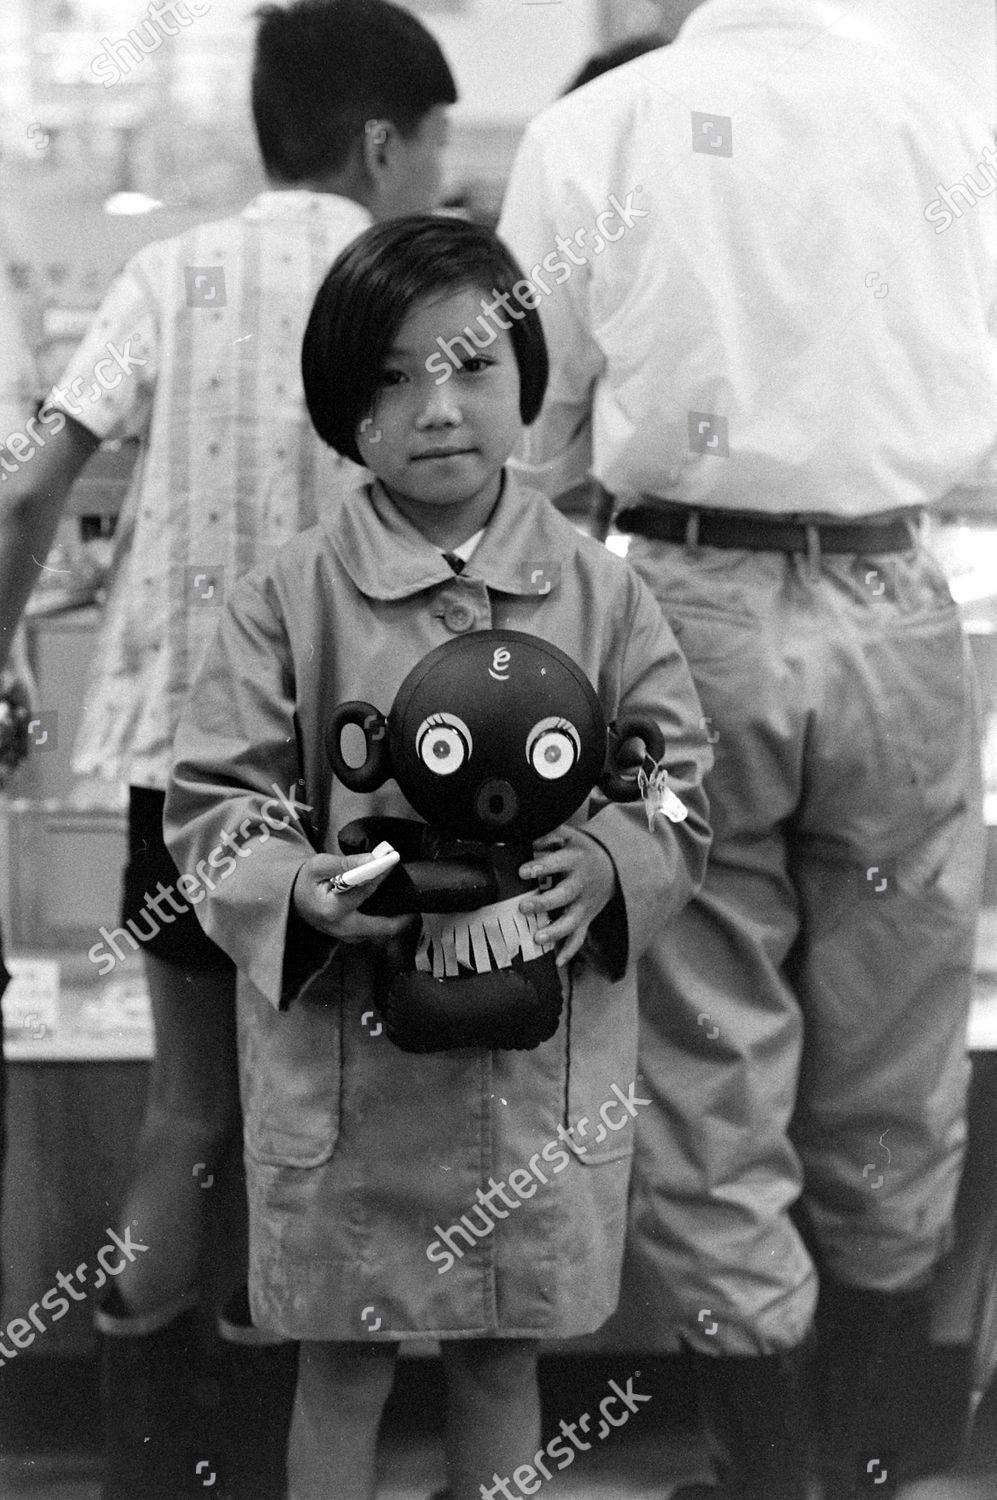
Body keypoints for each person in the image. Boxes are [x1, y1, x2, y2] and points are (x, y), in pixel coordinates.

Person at [498, 2, 994, 1496]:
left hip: (683, 606)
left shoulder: (598, 128)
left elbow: (534, 431)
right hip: (901, 596)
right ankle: (883, 1458)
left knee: (710, 1064)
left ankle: (767, 1469)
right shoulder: (947, 114)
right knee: (897, 1056)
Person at [163, 213, 712, 1500]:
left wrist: (618, 863)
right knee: (339, 1368)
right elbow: (212, 808)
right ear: (341, 412)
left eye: (471, 367)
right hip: (347, 1069)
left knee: (500, 1360)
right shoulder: (284, 599)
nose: (438, 407)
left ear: (527, 376)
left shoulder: (606, 594)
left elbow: (683, 792)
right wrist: (292, 885)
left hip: (534, 1068)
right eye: (393, 378)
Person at [0, 3, 457, 1496]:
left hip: (183, 778)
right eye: (436, 147)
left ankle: (152, 1454)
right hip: (363, 774)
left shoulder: (166, 272)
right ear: (381, 140)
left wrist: (7, 647)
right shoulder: (406, 294)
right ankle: (291, 1453)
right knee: (325, 1118)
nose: (439, 180)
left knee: (188, 1107)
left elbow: (28, 491)